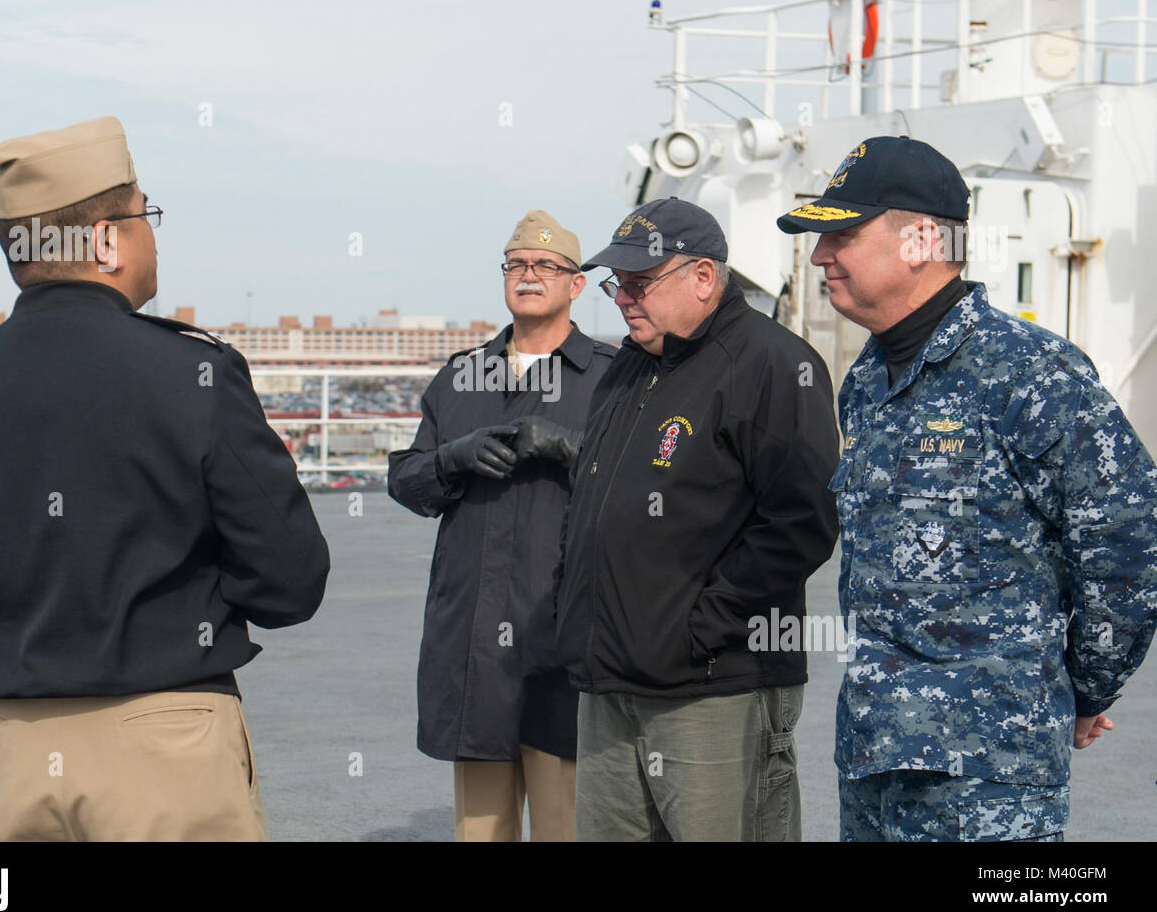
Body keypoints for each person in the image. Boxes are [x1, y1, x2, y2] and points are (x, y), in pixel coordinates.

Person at [0, 116, 330, 841]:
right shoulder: (193, 374)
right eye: (145, 214)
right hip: (169, 745)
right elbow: (290, 580)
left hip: (13, 754)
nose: (154, 235)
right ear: (105, 239)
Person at [777, 134, 1157, 842]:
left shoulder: (1031, 372)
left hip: (986, 778)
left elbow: (1127, 540)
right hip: (874, 761)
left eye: (843, 237)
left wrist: (1085, 684)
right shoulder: (866, 379)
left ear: (921, 240)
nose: (820, 256)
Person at [553, 196, 840, 841]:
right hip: (609, 680)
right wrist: (572, 612)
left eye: (638, 283)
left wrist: (701, 626)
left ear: (703, 277)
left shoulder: (772, 363)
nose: (622, 298)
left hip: (714, 687)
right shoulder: (628, 365)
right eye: (615, 283)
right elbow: (592, 498)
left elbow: (803, 520)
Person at [388, 210, 614, 841]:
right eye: (516, 265)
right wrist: (448, 459)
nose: (528, 275)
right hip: (476, 641)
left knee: (566, 823)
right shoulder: (460, 377)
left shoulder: (611, 377)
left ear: (577, 285)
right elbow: (406, 483)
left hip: (563, 638)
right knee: (480, 830)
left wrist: (570, 448)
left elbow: (639, 486)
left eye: (547, 266)